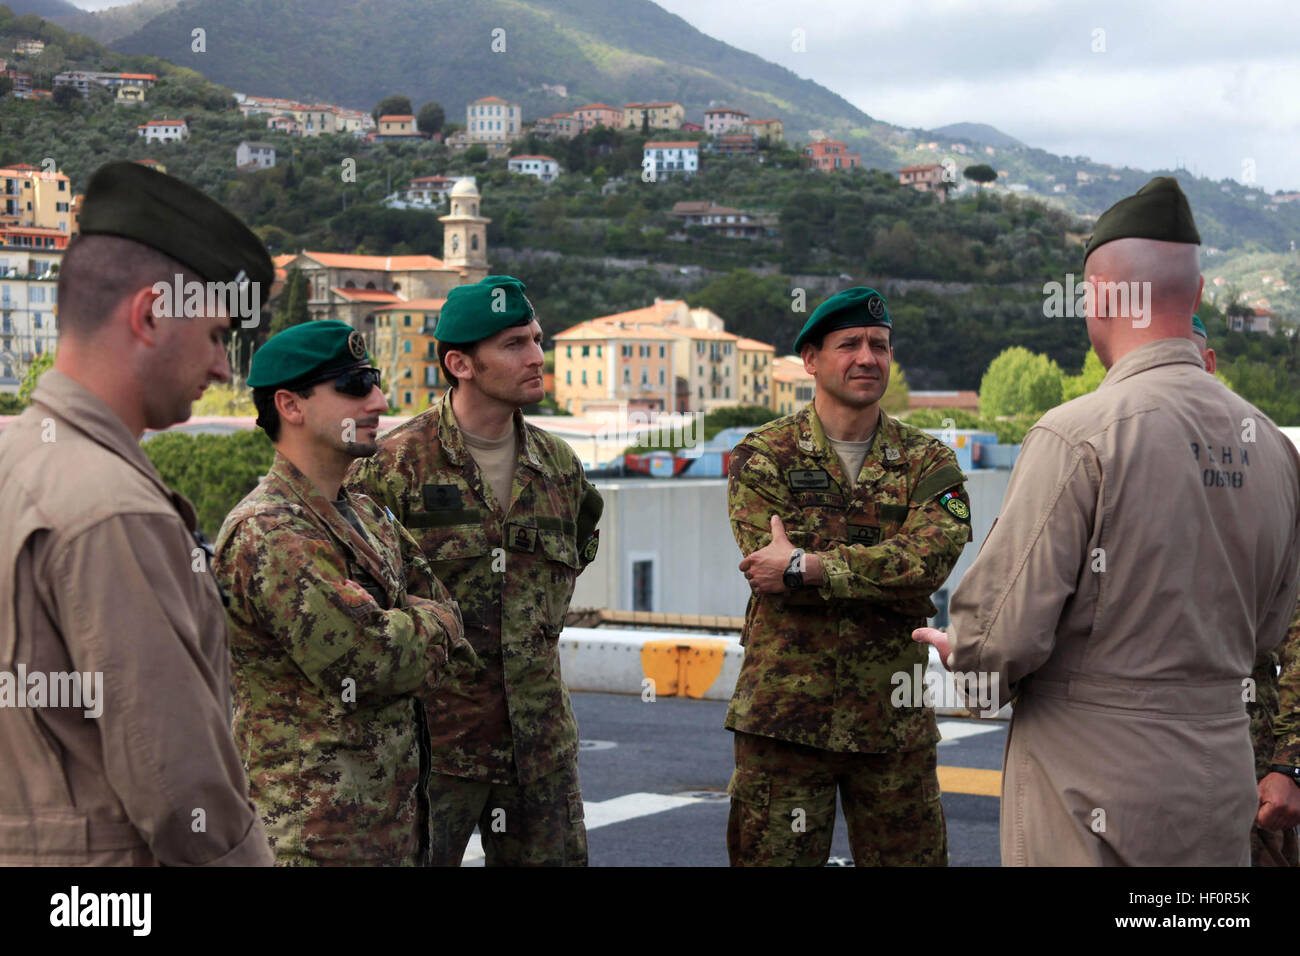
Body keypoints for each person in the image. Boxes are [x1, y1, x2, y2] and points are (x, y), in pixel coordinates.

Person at [915, 177, 1300, 866]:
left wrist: (964, 654)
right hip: (1220, 782)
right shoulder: (1271, 445)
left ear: (1098, 299)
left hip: (1092, 786)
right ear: (1201, 291)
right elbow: (1270, 630)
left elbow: (998, 640)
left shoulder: (1078, 436)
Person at [0, 161, 273, 865]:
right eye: (216, 336)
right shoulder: (114, 509)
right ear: (152, 314)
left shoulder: (15, 456)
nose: (223, 370)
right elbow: (183, 793)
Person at [347, 275, 602, 866]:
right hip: (434, 750)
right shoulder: (392, 468)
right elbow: (364, 610)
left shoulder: (559, 466)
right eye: (515, 344)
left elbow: (569, 566)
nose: (537, 356)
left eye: (538, 339)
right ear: (460, 363)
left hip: (539, 749)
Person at [724, 287, 972, 866]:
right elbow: (766, 566)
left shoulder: (929, 461)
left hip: (893, 725)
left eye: (880, 346)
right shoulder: (762, 456)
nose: (867, 357)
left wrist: (813, 567)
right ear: (811, 359)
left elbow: (930, 561)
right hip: (784, 722)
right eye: (850, 344)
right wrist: (875, 568)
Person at [214, 321, 474, 865]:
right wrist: (432, 627)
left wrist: (416, 622)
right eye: (355, 386)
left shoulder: (365, 511)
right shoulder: (271, 531)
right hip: (311, 840)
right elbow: (373, 660)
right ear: (291, 405)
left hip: (392, 830)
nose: (379, 400)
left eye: (374, 381)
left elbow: (441, 603)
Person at [1192, 314, 1300, 867]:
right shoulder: (1110, 450)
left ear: (1209, 364)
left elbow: (1299, 636)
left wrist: (1289, 764)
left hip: (1249, 756)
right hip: (1139, 754)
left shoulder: (1267, 460)